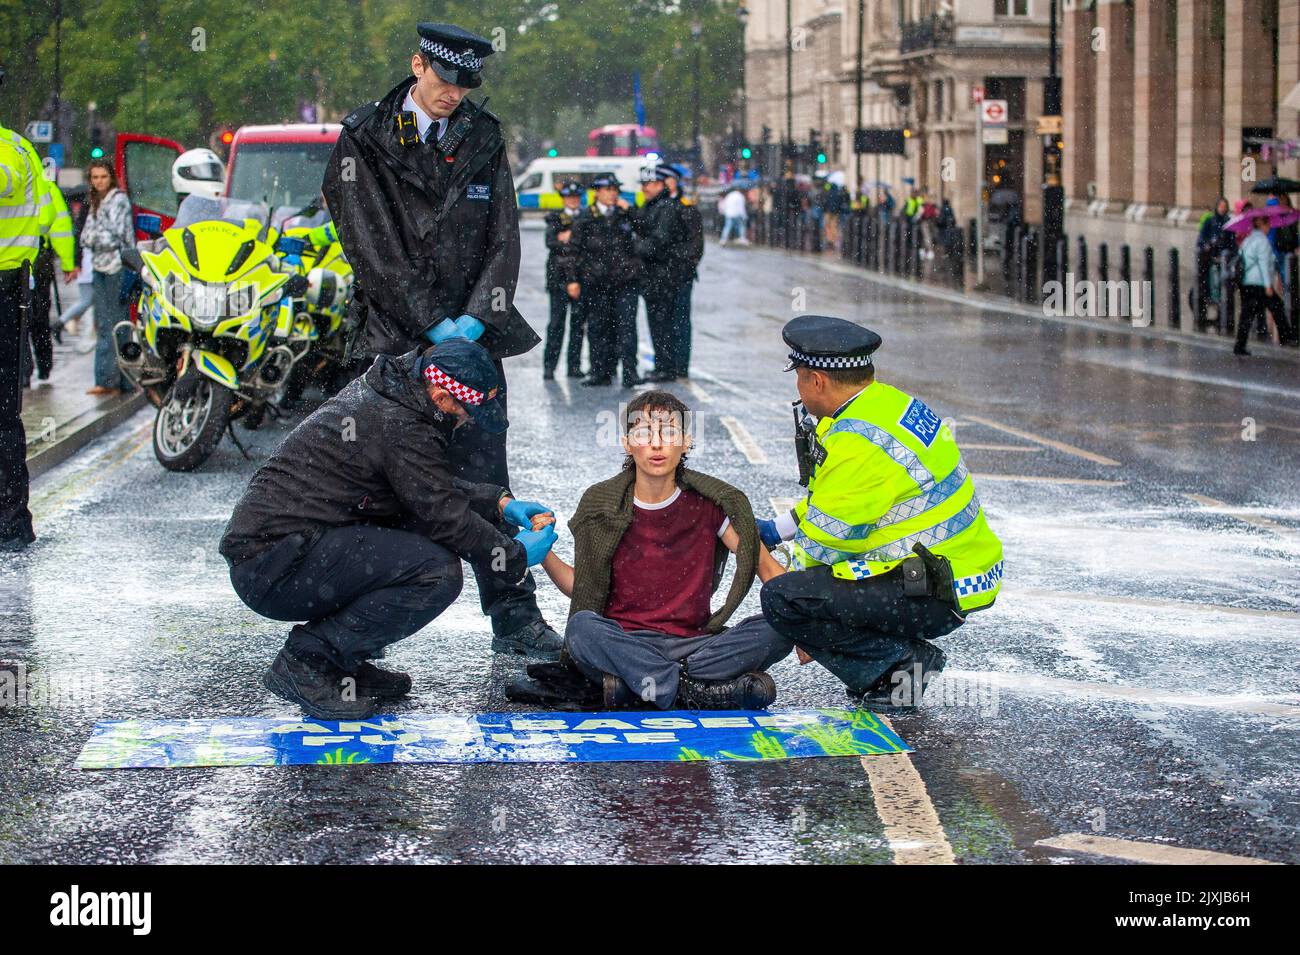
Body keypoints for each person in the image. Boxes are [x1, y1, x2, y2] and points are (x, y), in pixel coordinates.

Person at [321, 22, 560, 657]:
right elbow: (370, 247)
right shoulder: (362, 139)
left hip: (473, 339)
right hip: (396, 341)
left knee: (487, 475)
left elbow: (504, 237)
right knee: (376, 482)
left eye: (463, 84)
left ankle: (513, 616)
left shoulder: (483, 134)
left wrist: (479, 319)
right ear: (418, 65)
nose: (452, 94)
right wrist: (433, 324)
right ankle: (353, 633)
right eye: (443, 80)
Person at [221, 339, 559, 718]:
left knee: (415, 556)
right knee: (435, 573)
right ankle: (308, 662)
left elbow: (418, 483)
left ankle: (341, 663)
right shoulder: (398, 419)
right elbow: (442, 514)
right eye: (468, 411)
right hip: (272, 563)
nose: (468, 420)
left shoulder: (396, 392)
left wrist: (499, 502)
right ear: (442, 395)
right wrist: (513, 555)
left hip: (287, 548)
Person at [758, 315, 1004, 711]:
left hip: (933, 588)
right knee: (806, 592)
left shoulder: (857, 440)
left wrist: (766, 562)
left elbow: (824, 542)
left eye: (799, 377)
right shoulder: (885, 404)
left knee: (785, 599)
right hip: (956, 571)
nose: (799, 388)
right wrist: (777, 529)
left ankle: (899, 665)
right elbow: (837, 500)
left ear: (816, 380)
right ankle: (894, 660)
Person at [515, 390, 791, 710]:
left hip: (696, 645)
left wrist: (802, 621)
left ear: (685, 442)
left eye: (669, 432)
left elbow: (767, 568)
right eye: (644, 432)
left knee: (779, 625)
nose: (657, 443)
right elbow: (583, 588)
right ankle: (694, 689)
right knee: (582, 628)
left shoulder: (714, 504)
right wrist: (544, 552)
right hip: (627, 642)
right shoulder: (604, 505)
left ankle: (643, 686)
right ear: (627, 443)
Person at [1, 70, 78, 552]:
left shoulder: (10, 151)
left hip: (5, 287)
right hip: (12, 288)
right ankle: (10, 518)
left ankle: (10, 522)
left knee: (4, 417)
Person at [570, 172, 641, 388]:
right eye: (608, 190)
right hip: (596, 282)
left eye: (615, 190)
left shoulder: (625, 214)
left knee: (626, 327)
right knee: (598, 328)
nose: (612, 194)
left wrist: (630, 211)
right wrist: (573, 279)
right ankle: (600, 371)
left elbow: (646, 230)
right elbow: (573, 251)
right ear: (597, 192)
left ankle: (630, 372)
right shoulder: (585, 217)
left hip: (624, 280)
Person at [79, 159, 134, 396]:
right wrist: (93, 238)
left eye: (103, 177)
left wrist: (94, 239)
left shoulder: (118, 200)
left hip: (117, 266)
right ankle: (111, 379)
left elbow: (116, 235)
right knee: (104, 323)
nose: (99, 182)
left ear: (111, 177)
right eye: (95, 177)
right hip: (99, 267)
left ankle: (114, 380)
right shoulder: (95, 202)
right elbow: (85, 235)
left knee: (116, 324)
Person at [633, 163, 689, 382]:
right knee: (658, 324)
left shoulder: (665, 208)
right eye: (644, 184)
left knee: (662, 324)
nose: (644, 188)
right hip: (654, 276)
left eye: (649, 184)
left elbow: (658, 243)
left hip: (662, 276)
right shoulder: (652, 205)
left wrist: (633, 246)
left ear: (660, 185)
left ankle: (666, 368)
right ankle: (663, 365)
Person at [542, 180, 584, 379]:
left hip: (581, 278)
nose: (573, 201)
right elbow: (551, 242)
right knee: (556, 324)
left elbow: (584, 245)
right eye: (569, 197)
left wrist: (570, 237)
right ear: (564, 199)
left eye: (576, 197)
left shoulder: (584, 217)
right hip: (558, 278)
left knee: (578, 325)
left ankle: (573, 366)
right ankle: (549, 366)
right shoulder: (555, 217)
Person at [666, 166, 703, 379]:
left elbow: (696, 244)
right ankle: (667, 362)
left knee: (681, 319)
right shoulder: (656, 205)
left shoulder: (686, 207)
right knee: (664, 320)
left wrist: (685, 265)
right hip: (662, 274)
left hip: (681, 273)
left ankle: (681, 365)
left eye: (669, 179)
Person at [1235, 210, 1284, 355]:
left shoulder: (1249, 239)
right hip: (1258, 283)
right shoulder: (1262, 240)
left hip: (1246, 281)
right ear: (1261, 225)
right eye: (1267, 223)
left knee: (1247, 314)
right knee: (1276, 306)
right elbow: (1263, 263)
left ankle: (1240, 345)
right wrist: (1268, 285)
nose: (1269, 226)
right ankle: (1288, 337)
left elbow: (1242, 256)